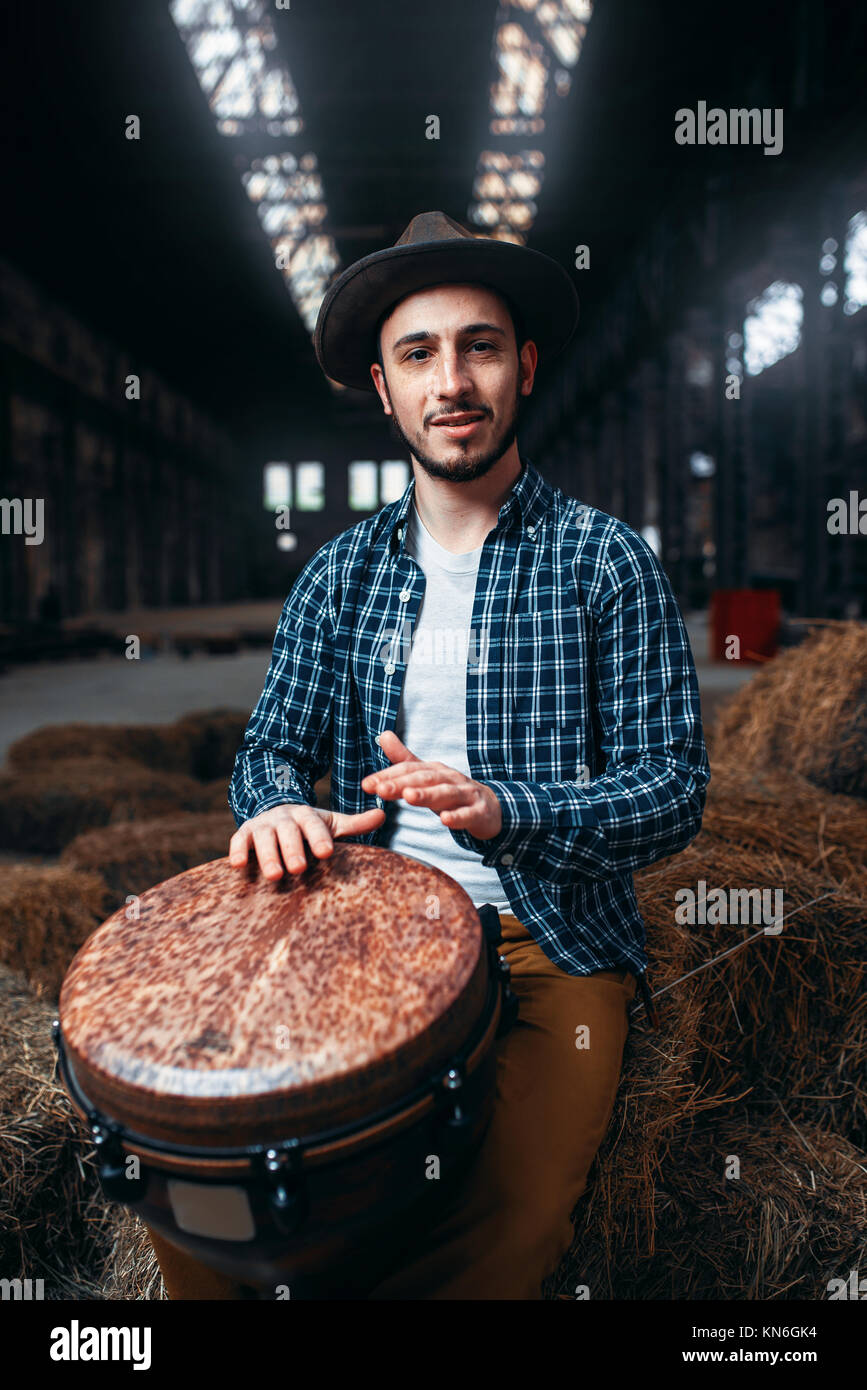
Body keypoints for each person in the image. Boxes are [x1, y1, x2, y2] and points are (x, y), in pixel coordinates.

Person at [146, 210, 710, 1300]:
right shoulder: (339, 574)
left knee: (505, 1221)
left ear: (525, 366)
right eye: (420, 354)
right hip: (365, 924)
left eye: (480, 345)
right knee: (207, 1182)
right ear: (383, 386)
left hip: (549, 942)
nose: (452, 379)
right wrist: (271, 808)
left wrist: (507, 808)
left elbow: (673, 790)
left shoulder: (608, 565)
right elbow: (271, 746)